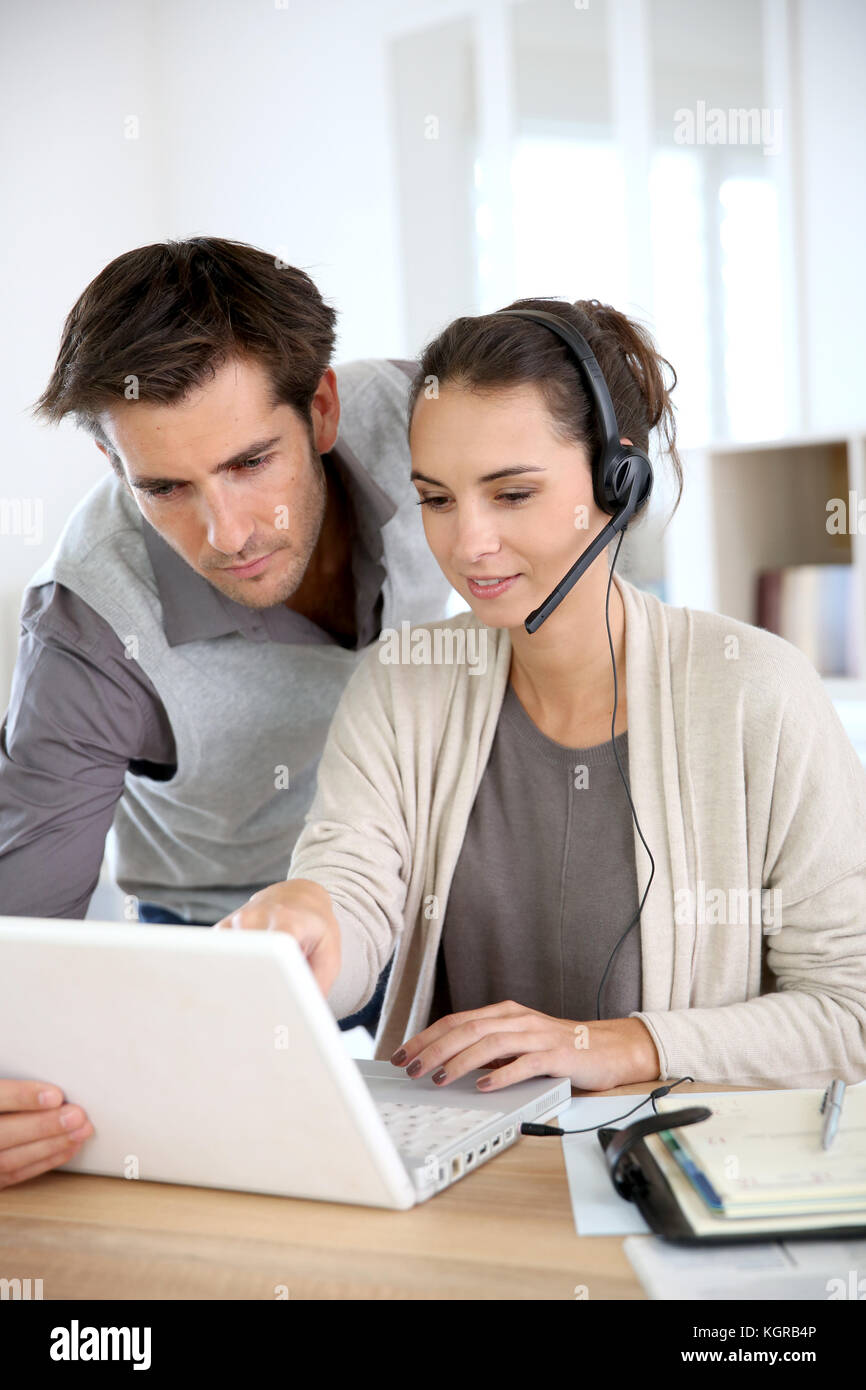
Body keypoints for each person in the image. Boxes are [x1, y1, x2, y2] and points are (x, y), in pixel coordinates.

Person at [215, 296, 866, 1097]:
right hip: (460, 1174)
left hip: (673, 1170)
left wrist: (625, 1045)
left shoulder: (754, 691)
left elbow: (852, 1014)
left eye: (512, 494)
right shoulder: (403, 683)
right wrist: (310, 917)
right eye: (438, 499)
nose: (468, 543)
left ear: (616, 482)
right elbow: (353, 890)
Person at [0, 237, 452, 1189]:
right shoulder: (86, 631)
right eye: (163, 486)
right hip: (228, 950)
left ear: (322, 408)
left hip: (427, 892)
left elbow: (586, 442)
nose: (227, 532)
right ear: (110, 461)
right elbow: (21, 946)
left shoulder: (432, 421)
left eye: (251, 461)